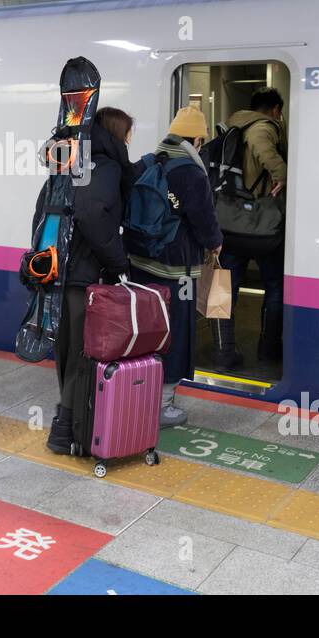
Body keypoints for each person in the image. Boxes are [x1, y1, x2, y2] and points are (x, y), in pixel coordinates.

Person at [43, 107, 134, 454]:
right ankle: (68, 430)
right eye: (128, 135)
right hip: (85, 277)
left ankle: (66, 424)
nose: (129, 142)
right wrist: (118, 260)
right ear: (116, 134)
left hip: (59, 272)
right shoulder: (106, 166)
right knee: (83, 355)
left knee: (67, 351)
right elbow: (93, 213)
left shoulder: (73, 160)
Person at [124, 105, 222, 427]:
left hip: (140, 263)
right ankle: (163, 405)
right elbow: (205, 222)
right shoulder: (191, 172)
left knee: (146, 330)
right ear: (196, 138)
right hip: (176, 269)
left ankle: (137, 393)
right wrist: (214, 244)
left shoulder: (146, 163)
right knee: (176, 333)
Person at [216, 89, 288, 368]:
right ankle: (269, 349)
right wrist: (283, 174)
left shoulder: (233, 125)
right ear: (273, 110)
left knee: (225, 290)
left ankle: (224, 351)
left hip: (231, 221)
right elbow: (263, 149)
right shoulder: (262, 127)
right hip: (262, 223)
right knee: (275, 286)